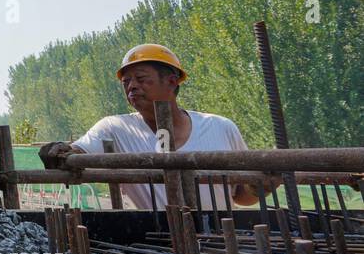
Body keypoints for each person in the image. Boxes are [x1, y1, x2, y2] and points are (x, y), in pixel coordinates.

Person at [38, 43, 262, 208]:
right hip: (160, 240)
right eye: (126, 82)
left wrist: (265, 185)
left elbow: (241, 195)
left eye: (141, 79)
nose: (132, 87)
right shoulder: (115, 129)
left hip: (222, 241)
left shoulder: (220, 128)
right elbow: (78, 153)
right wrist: (61, 153)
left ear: (172, 81)